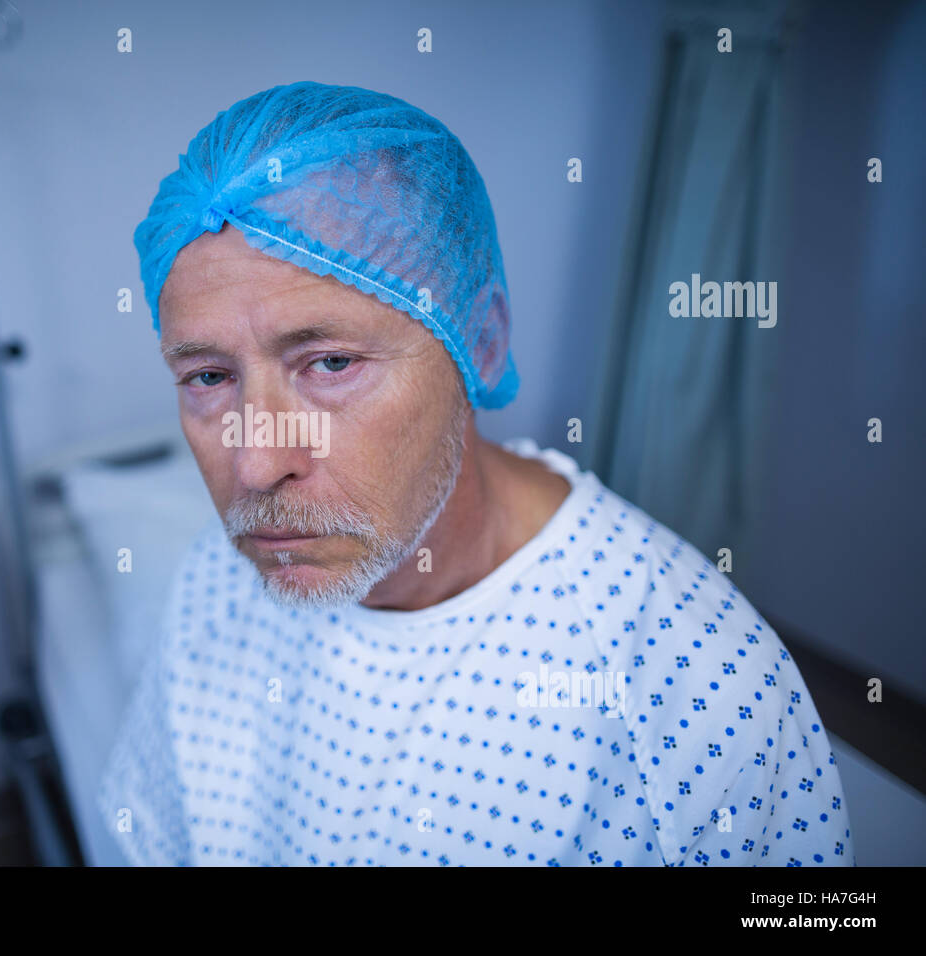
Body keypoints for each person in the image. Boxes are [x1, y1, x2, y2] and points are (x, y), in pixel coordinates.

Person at [97, 81, 853, 866]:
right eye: (210, 379)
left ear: (480, 344)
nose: (255, 463)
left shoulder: (699, 690)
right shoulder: (216, 584)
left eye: (329, 363)